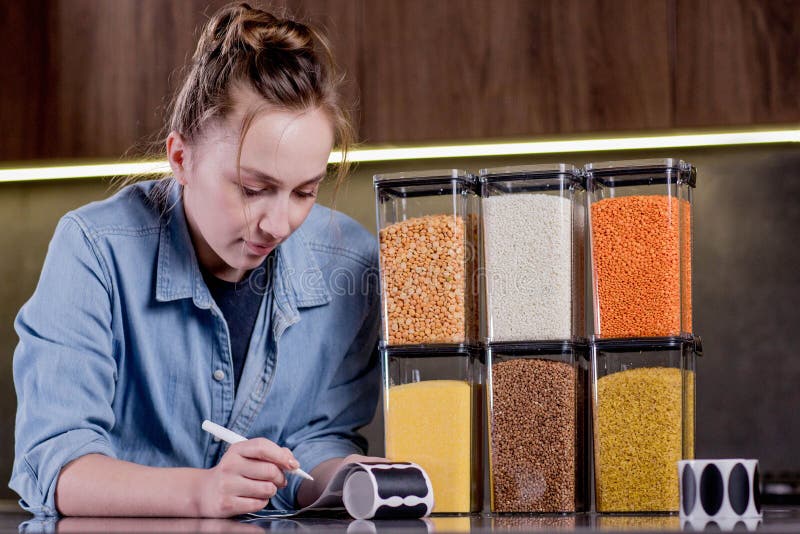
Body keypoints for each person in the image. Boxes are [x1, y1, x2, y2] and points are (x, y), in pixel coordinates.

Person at [10, 2, 381, 518]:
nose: (278, 224)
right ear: (181, 158)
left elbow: (318, 441)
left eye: (304, 193)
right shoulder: (93, 250)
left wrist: (347, 483)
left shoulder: (353, 262)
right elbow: (54, 463)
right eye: (254, 189)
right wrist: (201, 492)